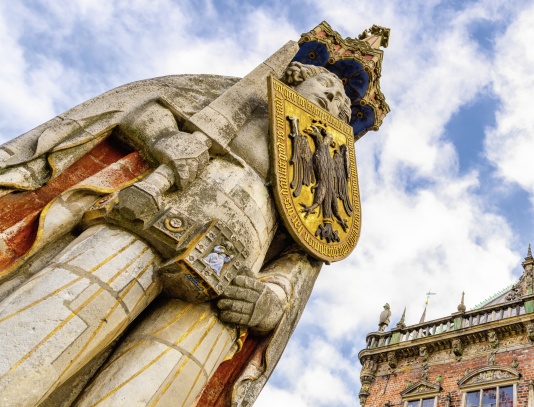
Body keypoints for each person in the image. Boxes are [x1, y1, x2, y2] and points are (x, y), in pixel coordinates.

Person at [0, 49, 352, 406]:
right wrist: (165, 137)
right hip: (150, 223)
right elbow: (142, 107)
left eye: (339, 100)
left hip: (230, 289)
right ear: (296, 76)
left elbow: (304, 255)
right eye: (325, 83)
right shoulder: (241, 98)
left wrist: (270, 300)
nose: (330, 97)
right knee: (40, 344)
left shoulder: (327, 175)